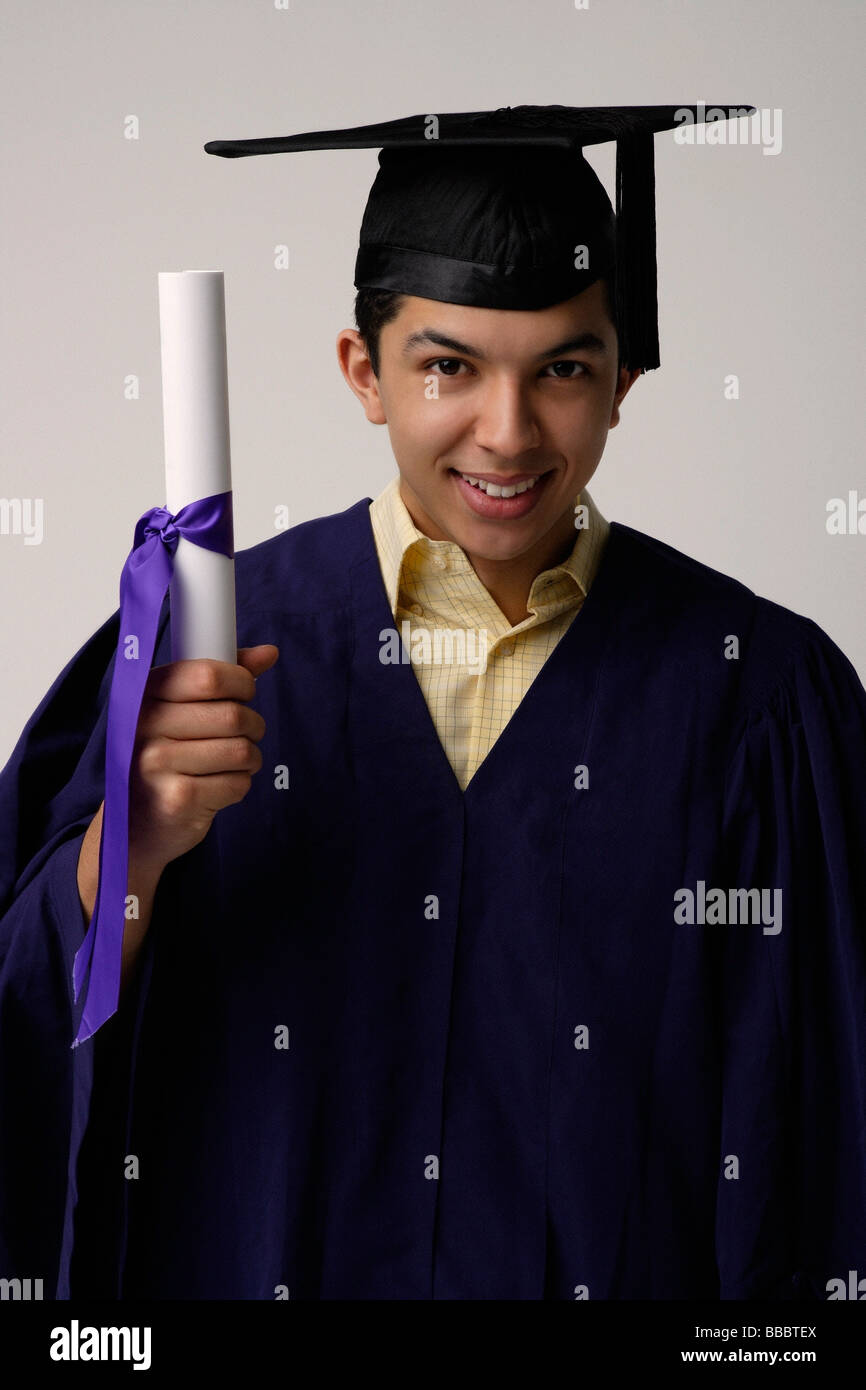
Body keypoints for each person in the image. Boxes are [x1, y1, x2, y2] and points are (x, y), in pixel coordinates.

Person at [1, 106, 864, 1301]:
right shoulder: (200, 652)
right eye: (447, 366)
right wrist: (129, 849)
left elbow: (819, 1132)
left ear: (623, 378)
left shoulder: (757, 697)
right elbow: (23, 1025)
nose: (505, 434)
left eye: (563, 367)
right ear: (365, 372)